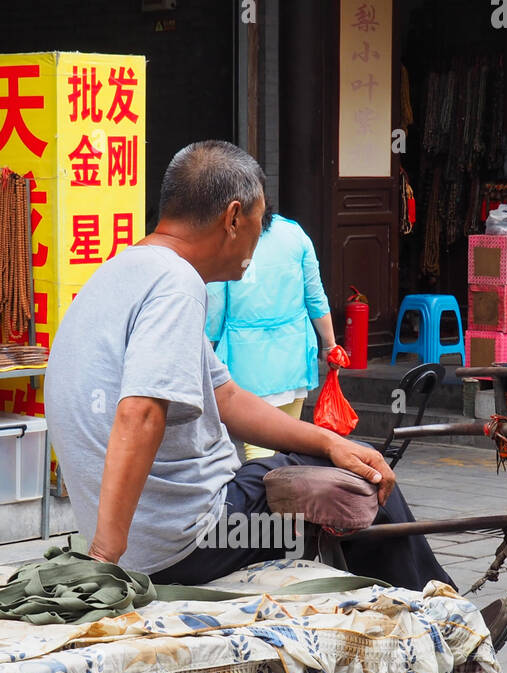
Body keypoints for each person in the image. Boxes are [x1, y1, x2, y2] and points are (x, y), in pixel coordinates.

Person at [44, 139, 453, 593]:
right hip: (196, 542)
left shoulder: (124, 270)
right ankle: (440, 613)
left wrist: (331, 440)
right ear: (233, 218)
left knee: (339, 455)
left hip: (155, 540)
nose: (257, 241)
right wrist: (105, 558)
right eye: (260, 224)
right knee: (365, 482)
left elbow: (228, 398)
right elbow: (140, 412)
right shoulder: (177, 284)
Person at [205, 213, 339, 460]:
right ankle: (285, 495)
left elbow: (214, 306)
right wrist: (329, 344)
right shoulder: (295, 233)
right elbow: (315, 297)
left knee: (257, 444)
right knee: (288, 438)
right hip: (294, 351)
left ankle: (266, 496)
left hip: (246, 355)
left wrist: (206, 348)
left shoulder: (228, 236)